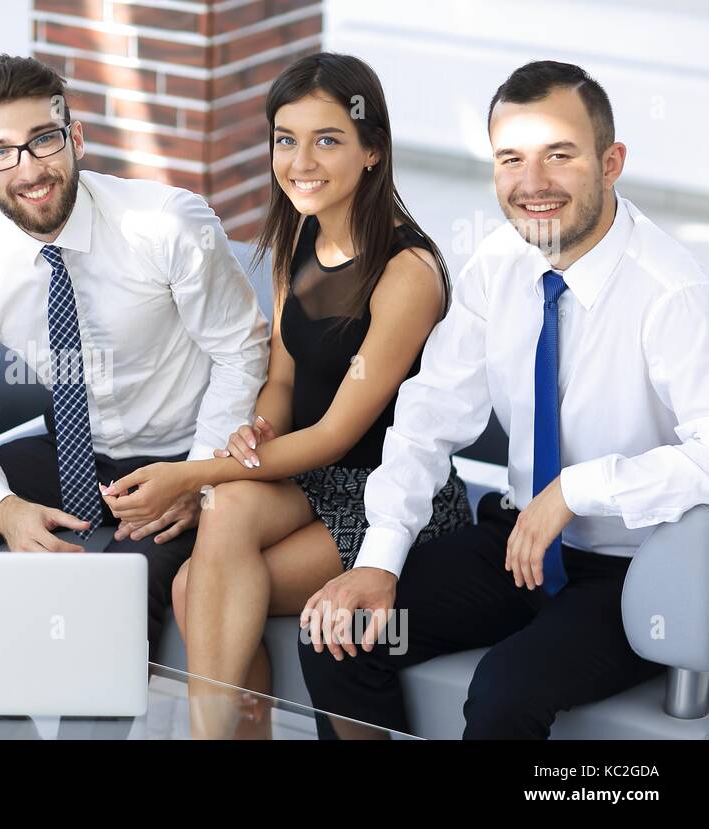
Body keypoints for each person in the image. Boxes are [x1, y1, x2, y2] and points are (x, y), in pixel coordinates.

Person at [296, 60, 709, 739]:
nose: (532, 184)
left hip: (631, 570)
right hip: (517, 542)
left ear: (611, 162)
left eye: (560, 156)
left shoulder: (672, 293)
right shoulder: (499, 263)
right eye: (511, 159)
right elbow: (428, 416)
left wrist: (579, 488)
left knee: (504, 694)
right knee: (339, 636)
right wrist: (378, 557)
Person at [98, 53, 471, 737]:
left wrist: (193, 471)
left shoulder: (406, 272)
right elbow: (284, 379)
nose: (301, 160)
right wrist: (256, 431)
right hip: (308, 473)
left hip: (388, 491)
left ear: (372, 151)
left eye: (327, 139)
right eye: (285, 139)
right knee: (233, 502)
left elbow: (334, 434)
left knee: (192, 585)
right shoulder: (298, 231)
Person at [0, 54, 269, 659]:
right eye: (0, 152)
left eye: (44, 139)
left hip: (180, 455)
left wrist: (196, 479)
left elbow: (243, 354)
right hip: (77, 455)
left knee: (107, 601)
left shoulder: (167, 223)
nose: (29, 168)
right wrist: (6, 510)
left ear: (77, 137)